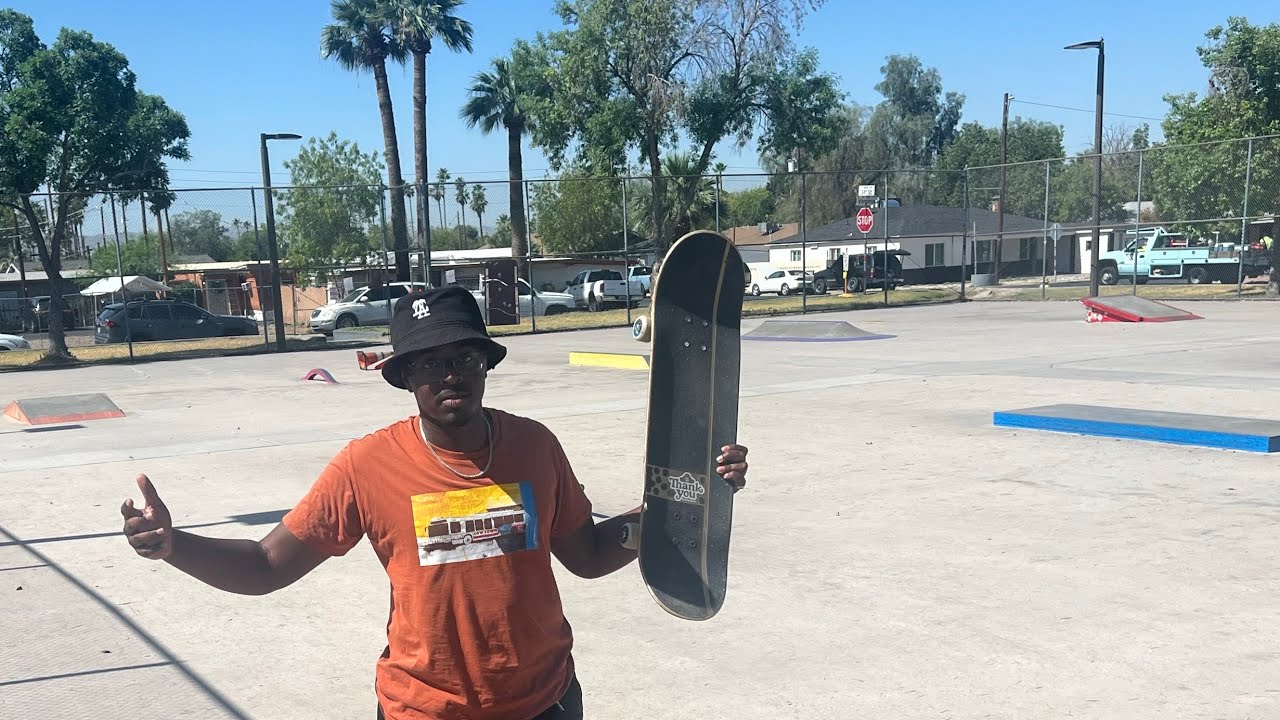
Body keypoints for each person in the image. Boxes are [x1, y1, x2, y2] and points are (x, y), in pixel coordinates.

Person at [121, 285, 751, 720]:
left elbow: (585, 554)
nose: (448, 373)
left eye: (462, 356)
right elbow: (265, 565)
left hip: (546, 703)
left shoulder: (534, 446)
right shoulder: (366, 466)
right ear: (403, 375)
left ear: (484, 364)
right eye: (428, 362)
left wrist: (677, 510)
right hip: (422, 710)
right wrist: (175, 547)